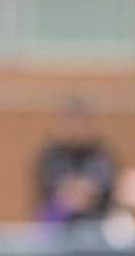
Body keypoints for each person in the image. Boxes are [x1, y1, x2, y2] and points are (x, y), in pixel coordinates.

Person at [34, 97, 116, 227]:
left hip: (94, 226)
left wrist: (81, 194)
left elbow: (102, 192)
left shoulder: (100, 157)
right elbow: (54, 195)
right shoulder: (50, 157)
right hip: (56, 229)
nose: (75, 129)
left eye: (80, 123)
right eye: (70, 122)